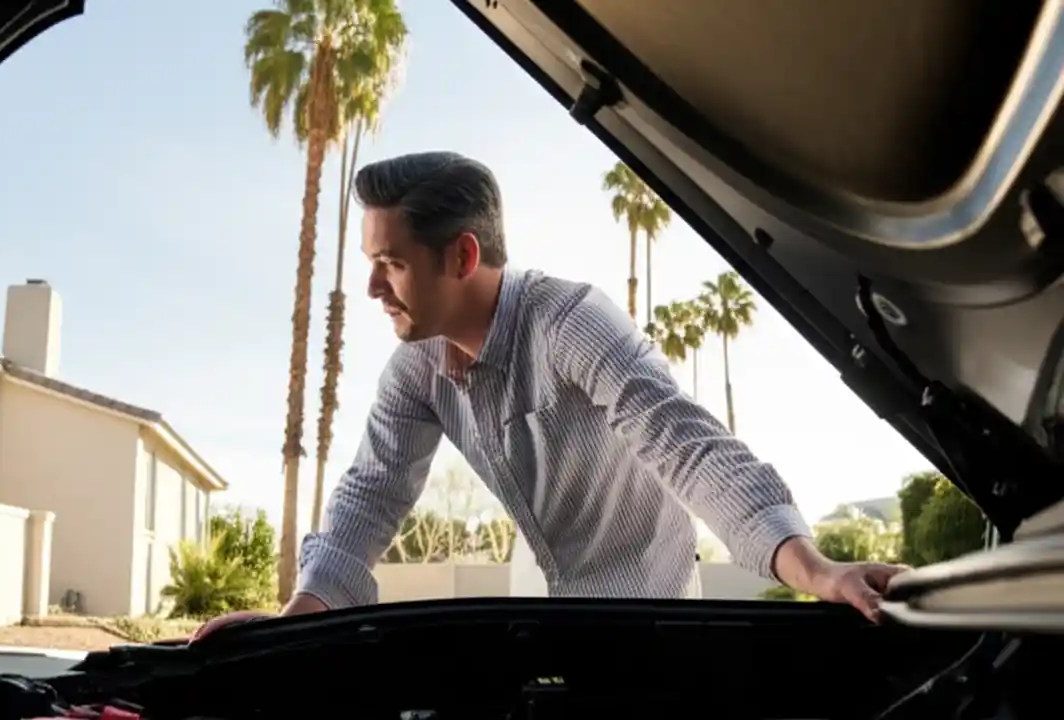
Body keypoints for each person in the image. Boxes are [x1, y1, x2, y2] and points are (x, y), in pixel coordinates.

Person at [193, 151, 905, 640]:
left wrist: (816, 570)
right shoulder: (415, 370)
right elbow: (367, 499)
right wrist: (291, 628)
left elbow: (687, 447)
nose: (373, 288)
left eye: (391, 264)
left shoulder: (570, 323)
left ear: (462, 256)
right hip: (547, 625)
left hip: (650, 622)